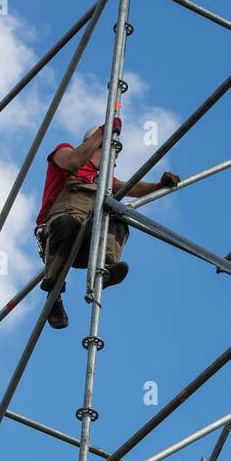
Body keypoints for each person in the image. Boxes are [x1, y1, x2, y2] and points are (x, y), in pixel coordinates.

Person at [35, 121, 181, 329]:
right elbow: (74, 161)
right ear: (97, 145)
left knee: (118, 217)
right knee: (67, 225)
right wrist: (104, 132)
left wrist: (159, 186)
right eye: (111, 152)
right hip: (62, 238)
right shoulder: (64, 154)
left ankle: (105, 270)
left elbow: (130, 188)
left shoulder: (104, 180)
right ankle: (54, 291)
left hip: (88, 244)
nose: (113, 161)